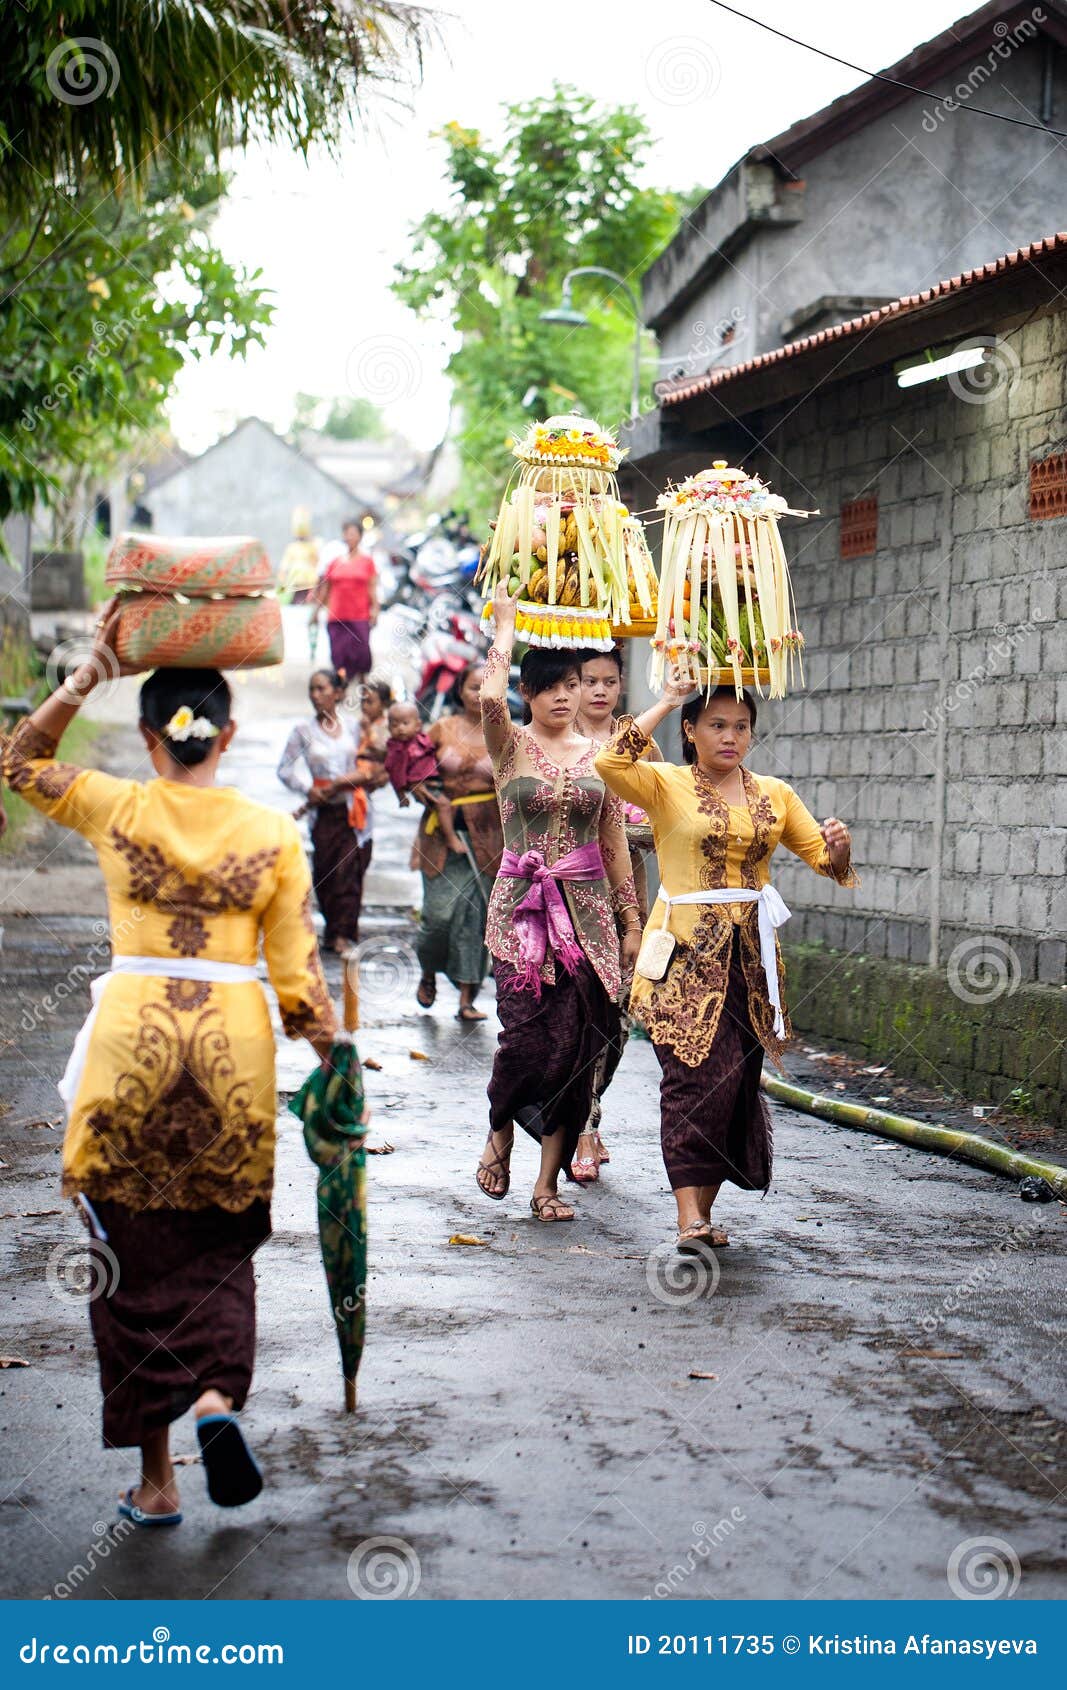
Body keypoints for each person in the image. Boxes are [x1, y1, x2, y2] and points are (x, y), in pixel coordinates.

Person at [0, 612, 338, 1525]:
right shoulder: (270, 833)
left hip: (130, 1056)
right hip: (231, 1052)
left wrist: (89, 674)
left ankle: (157, 1483)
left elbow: (19, 762)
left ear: (150, 738)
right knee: (220, 1247)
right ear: (226, 736)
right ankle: (217, 1403)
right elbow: (298, 976)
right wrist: (329, 1050)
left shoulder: (121, 804)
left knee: (130, 1257)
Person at [595, 672, 856, 1255]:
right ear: (690, 731)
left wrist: (839, 851)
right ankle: (688, 1217)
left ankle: (702, 1212)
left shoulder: (775, 794)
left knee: (735, 1081)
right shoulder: (665, 784)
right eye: (716, 725)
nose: (730, 736)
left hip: (751, 962)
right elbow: (611, 764)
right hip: (682, 956)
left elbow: (823, 860)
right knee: (693, 1078)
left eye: (741, 726)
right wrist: (665, 698)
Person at [476, 584, 641, 1222]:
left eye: (573, 684)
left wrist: (630, 922)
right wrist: (507, 625)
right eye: (550, 686)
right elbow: (489, 694)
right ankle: (498, 1128)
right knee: (525, 1041)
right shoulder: (509, 747)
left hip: (589, 917)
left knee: (576, 1049)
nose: (566, 695)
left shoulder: (604, 759)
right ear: (529, 693)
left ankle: (547, 1183)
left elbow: (615, 844)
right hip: (519, 914)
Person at [569, 645, 663, 1182]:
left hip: (628, 902)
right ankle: (582, 1123)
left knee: (618, 1016)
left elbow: (660, 819)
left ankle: (590, 1110)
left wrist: (623, 836)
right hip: (571, 902)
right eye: (589, 681)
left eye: (609, 680)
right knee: (577, 1012)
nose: (599, 690)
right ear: (572, 685)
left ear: (621, 685)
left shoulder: (639, 745)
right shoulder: (558, 742)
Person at [410, 662, 503, 1022]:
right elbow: (410, 768)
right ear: (459, 690)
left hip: (488, 835)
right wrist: (424, 795)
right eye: (472, 687)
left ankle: (467, 997)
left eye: (486, 687)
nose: (479, 694)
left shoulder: (504, 735)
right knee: (438, 915)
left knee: (476, 916)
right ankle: (428, 971)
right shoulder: (441, 728)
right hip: (440, 835)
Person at [277, 669, 385, 954]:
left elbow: (372, 758)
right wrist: (307, 789)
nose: (316, 695)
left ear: (338, 693)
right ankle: (331, 926)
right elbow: (284, 770)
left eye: (322, 688)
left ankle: (343, 933)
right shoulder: (303, 731)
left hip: (354, 811)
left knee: (349, 870)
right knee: (326, 872)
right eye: (312, 689)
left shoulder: (354, 727)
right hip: (324, 812)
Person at [383, 700, 462, 853]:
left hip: (435, 779)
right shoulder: (397, 750)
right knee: (443, 804)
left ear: (418, 725)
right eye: (394, 725)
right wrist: (401, 794)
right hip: (422, 783)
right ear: (388, 728)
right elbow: (395, 773)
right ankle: (451, 838)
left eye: (405, 723)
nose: (400, 728)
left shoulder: (420, 738)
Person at [312, 519, 379, 685]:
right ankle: (341, 684)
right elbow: (325, 590)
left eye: (353, 533)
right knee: (338, 652)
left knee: (361, 651)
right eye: (346, 533)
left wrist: (375, 610)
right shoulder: (334, 562)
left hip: (359, 615)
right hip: (336, 616)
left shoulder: (367, 562)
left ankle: (363, 681)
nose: (349, 537)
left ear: (360, 537)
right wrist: (315, 612)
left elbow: (372, 588)